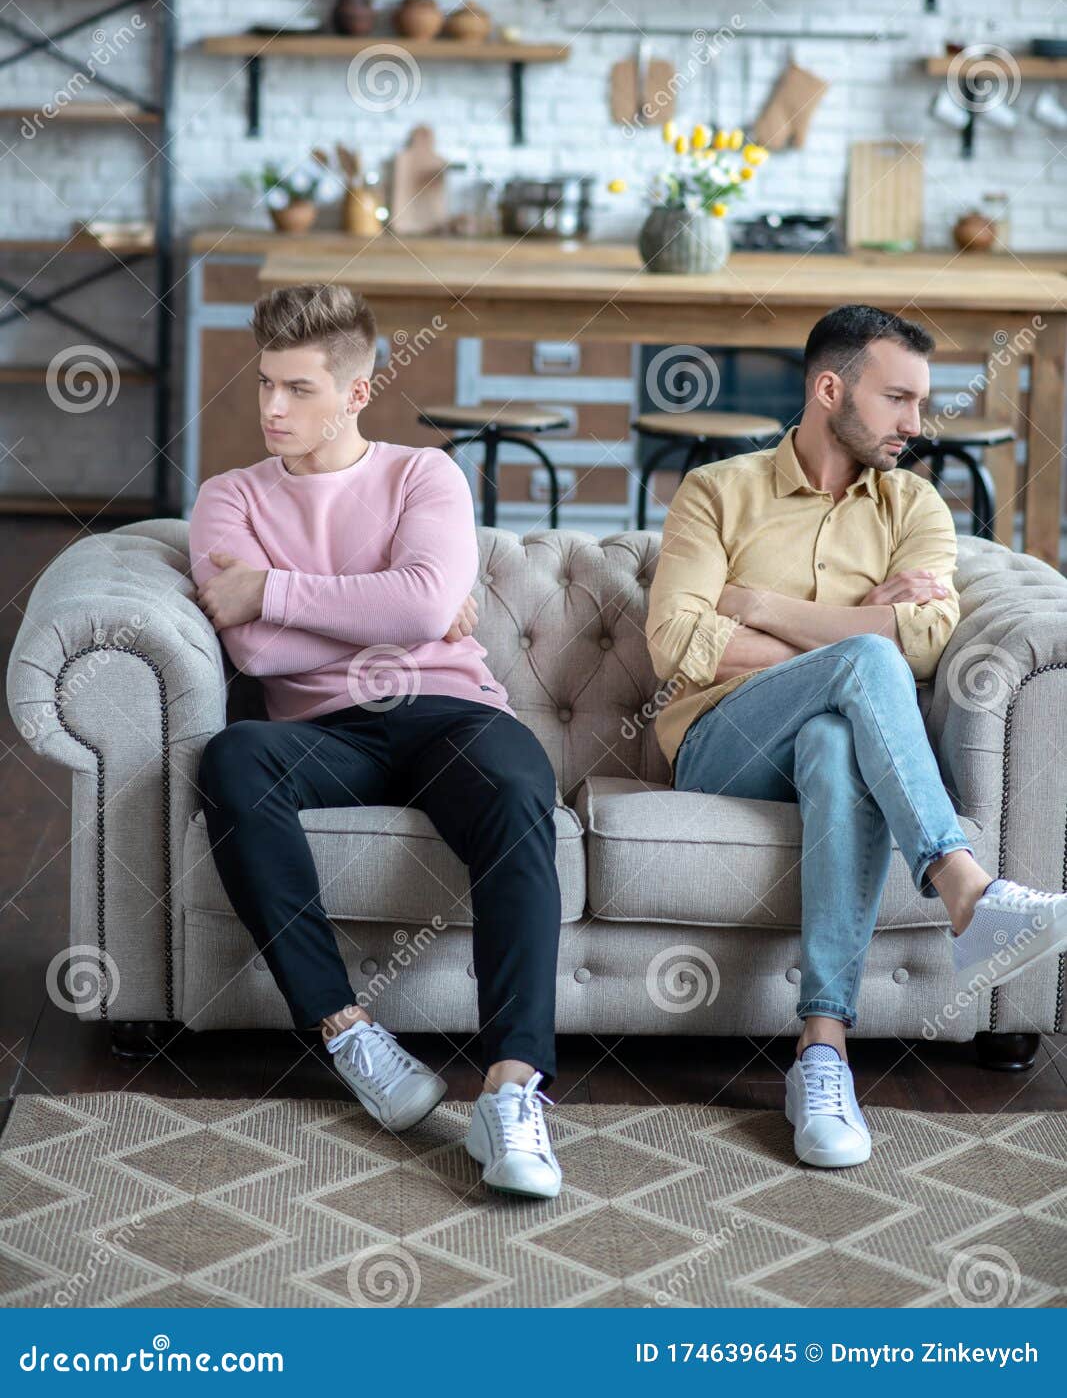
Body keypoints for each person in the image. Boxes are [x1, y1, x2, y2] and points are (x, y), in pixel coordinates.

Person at [646, 304, 1067, 1169]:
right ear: (829, 388)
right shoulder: (716, 492)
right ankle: (964, 889)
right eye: (897, 399)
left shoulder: (914, 506)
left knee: (839, 744)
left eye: (921, 401)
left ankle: (822, 1050)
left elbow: (923, 638)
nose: (917, 425)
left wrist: (760, 609)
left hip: (812, 747)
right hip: (718, 747)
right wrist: (854, 624)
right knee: (864, 661)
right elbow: (677, 643)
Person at [188, 282, 562, 1199]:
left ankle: (512, 1092)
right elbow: (253, 646)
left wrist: (277, 587)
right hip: (319, 732)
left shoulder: (422, 475)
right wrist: (394, 607)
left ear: (356, 392)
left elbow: (423, 603)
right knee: (230, 759)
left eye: (300, 389)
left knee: (519, 786)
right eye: (265, 384)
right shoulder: (226, 498)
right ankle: (349, 1033)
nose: (273, 408)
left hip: (451, 711)